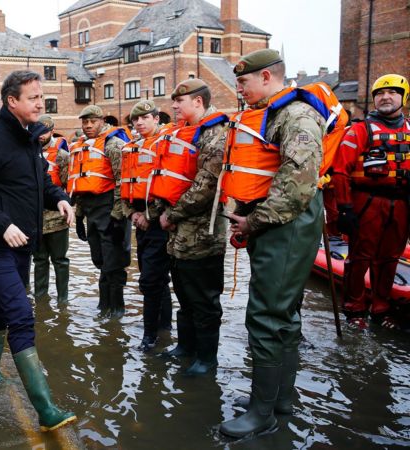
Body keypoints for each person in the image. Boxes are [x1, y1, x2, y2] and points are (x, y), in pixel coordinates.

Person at [0, 70, 77, 432]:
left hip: (21, 244)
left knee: (2, 307)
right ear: (12, 101)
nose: (40, 102)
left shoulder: (28, 139)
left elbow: (40, 179)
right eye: (32, 97)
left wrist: (60, 199)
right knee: (21, 313)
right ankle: (46, 411)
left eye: (42, 96)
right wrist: (3, 224)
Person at [220, 49, 326, 438]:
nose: (239, 88)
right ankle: (279, 400)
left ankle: (261, 412)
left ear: (267, 77)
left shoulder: (294, 114)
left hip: (285, 224)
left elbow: (297, 184)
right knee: (284, 314)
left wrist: (252, 222)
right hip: (280, 222)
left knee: (266, 316)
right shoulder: (275, 113)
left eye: (244, 81)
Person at [152, 79, 228, 376]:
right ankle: (186, 347)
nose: (173, 106)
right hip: (179, 236)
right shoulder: (185, 133)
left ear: (198, 102)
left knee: (204, 299)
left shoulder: (215, 136)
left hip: (203, 234)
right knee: (184, 294)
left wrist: (173, 214)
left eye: (179, 101)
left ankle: (207, 359)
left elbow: (206, 186)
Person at [332, 74, 410, 330]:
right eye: (379, 93)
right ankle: (355, 310)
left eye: (392, 93)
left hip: (401, 205)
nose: (385, 97)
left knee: (390, 258)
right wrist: (344, 208)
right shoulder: (359, 130)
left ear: (404, 97)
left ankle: (380, 308)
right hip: (366, 203)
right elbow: (341, 172)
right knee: (360, 257)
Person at [119, 100, 173, 352]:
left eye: (144, 118)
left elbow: (169, 186)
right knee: (153, 278)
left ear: (155, 119)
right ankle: (164, 327)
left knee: (152, 280)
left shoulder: (167, 143)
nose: (139, 123)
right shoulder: (131, 148)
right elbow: (125, 188)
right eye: (135, 120)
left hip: (159, 222)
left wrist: (148, 215)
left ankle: (150, 335)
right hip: (140, 221)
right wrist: (132, 213)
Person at [68, 105, 131, 317]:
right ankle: (104, 305)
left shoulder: (113, 145)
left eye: (92, 122)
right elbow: (80, 185)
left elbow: (123, 181)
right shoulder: (82, 147)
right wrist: (78, 217)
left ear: (102, 120)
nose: (88, 126)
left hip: (110, 210)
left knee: (113, 261)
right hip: (90, 210)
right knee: (100, 260)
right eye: (84, 122)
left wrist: (117, 214)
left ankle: (117, 307)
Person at [32, 114, 71, 304]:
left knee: (60, 260)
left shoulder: (62, 156)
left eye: (45, 131)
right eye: (38, 131)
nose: (41, 135)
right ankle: (41, 299)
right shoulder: (28, 152)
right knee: (39, 260)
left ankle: (63, 300)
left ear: (52, 131)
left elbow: (65, 184)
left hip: (57, 217)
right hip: (35, 218)